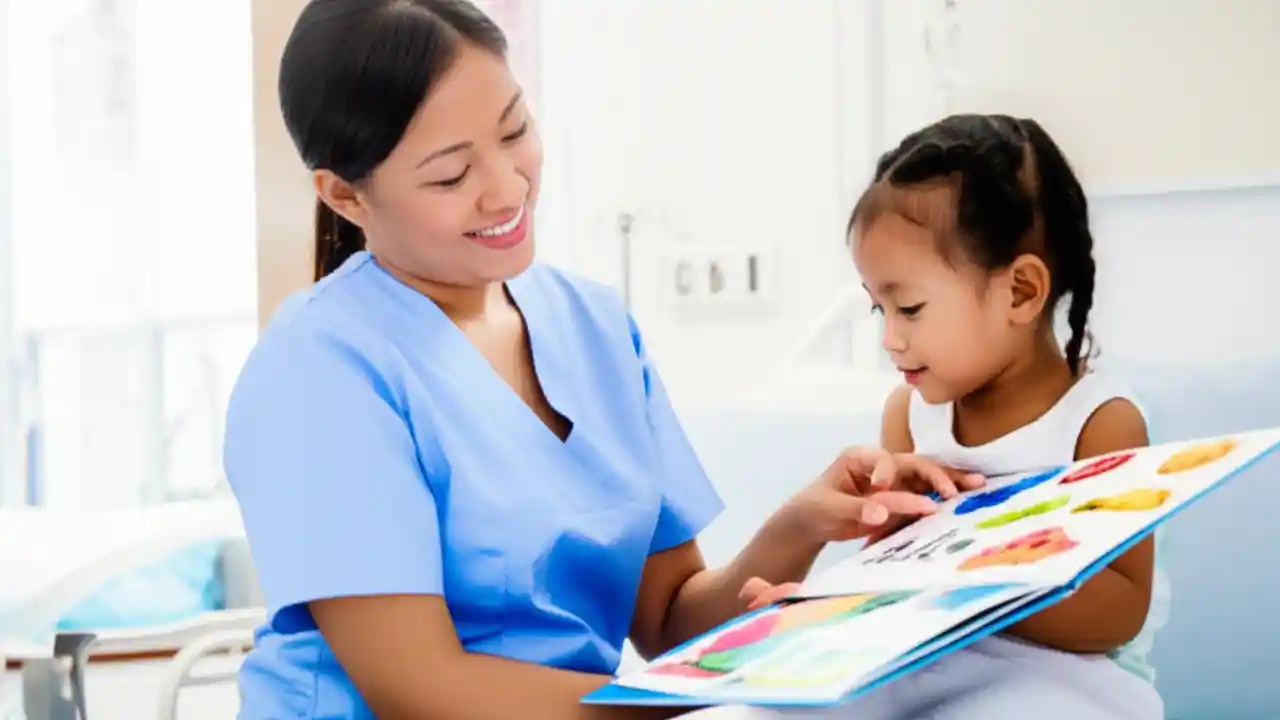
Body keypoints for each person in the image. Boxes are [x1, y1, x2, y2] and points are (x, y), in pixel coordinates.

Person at [222, 2, 983, 718]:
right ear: (346, 197)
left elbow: (665, 618)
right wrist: (678, 703)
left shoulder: (589, 324)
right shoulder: (320, 370)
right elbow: (421, 689)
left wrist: (805, 524)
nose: (507, 187)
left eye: (515, 129)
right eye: (451, 176)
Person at [733, 114, 1168, 719]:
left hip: (1067, 681)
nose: (889, 338)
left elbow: (1118, 615)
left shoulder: (1100, 423)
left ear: (1020, 292)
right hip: (919, 661)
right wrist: (821, 609)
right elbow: (896, 584)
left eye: (909, 307)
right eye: (877, 308)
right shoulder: (909, 417)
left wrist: (970, 571)